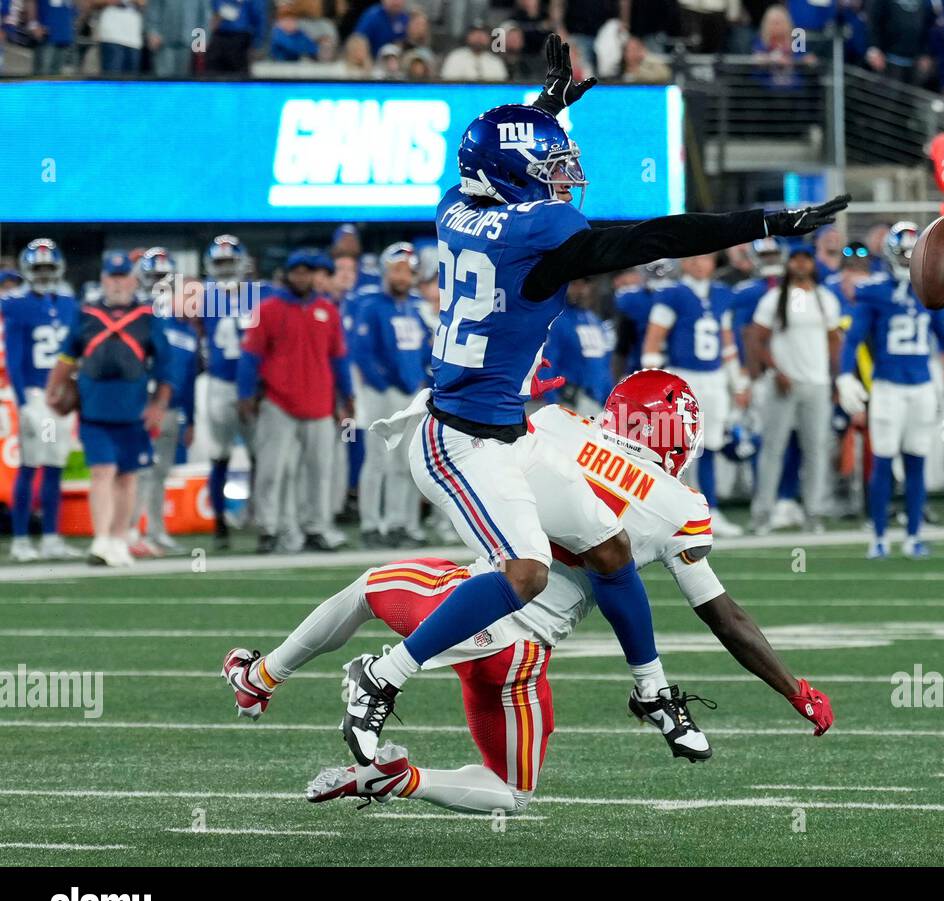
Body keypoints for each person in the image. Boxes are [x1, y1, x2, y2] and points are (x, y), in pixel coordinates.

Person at [332, 34, 847, 767]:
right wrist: (760, 222)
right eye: (548, 170)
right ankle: (380, 677)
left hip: (508, 427)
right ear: (513, 179)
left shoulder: (454, 207)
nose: (563, 181)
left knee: (608, 547)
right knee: (527, 573)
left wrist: (547, 103)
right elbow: (656, 237)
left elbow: (496, 152)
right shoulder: (538, 238)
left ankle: (651, 689)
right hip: (462, 441)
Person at [226, 372, 833, 812]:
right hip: (521, 662)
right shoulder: (682, 507)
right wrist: (796, 689)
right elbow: (725, 618)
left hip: (459, 610)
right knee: (509, 791)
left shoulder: (554, 424)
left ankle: (263, 679)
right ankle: (400, 780)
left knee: (370, 588)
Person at [836, 222, 944, 558]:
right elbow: (855, 336)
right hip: (888, 386)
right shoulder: (874, 291)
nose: (906, 259)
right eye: (902, 253)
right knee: (884, 462)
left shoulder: (927, 290)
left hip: (921, 387)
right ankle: (879, 537)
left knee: (916, 461)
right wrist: (845, 375)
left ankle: (914, 535)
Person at [44, 251, 177, 568]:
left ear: (133, 280)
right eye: (112, 277)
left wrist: (159, 404)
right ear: (103, 280)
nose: (117, 283)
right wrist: (54, 388)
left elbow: (165, 366)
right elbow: (68, 355)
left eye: (122, 277)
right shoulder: (87, 314)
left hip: (132, 409)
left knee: (128, 477)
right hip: (94, 408)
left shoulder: (147, 317)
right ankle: (101, 538)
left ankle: (119, 537)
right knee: (102, 471)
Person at [238, 249, 354, 554]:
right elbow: (250, 356)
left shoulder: (327, 311)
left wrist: (348, 394)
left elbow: (338, 357)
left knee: (319, 471)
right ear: (287, 274)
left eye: (308, 272)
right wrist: (245, 394)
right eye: (297, 271)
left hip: (319, 403)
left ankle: (316, 527)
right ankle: (269, 528)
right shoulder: (269, 309)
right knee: (272, 470)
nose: (302, 277)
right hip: (278, 402)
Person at [641, 252, 750, 536]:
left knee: (711, 445)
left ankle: (710, 511)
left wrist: (737, 381)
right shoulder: (672, 294)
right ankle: (669, 514)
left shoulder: (723, 294)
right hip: (683, 375)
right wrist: (651, 384)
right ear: (685, 263)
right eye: (694, 258)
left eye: (705, 258)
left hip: (714, 378)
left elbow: (727, 344)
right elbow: (653, 341)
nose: (699, 264)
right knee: (677, 449)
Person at [745, 247, 842, 534]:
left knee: (816, 450)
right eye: (796, 259)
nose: (801, 264)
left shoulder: (825, 300)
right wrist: (775, 370)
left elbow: (833, 341)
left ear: (813, 264)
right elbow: (756, 338)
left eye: (806, 259)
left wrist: (837, 378)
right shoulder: (774, 299)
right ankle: (762, 513)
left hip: (817, 382)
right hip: (784, 382)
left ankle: (813, 512)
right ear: (789, 265)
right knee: (773, 449)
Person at [1, 238, 81, 562]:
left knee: (55, 467)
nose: (45, 274)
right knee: (31, 465)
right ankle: (21, 540)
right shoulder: (16, 304)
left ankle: (51, 537)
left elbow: (75, 350)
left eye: (49, 267)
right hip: (35, 393)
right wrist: (23, 401)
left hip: (61, 396)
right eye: (39, 268)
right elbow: (16, 360)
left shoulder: (69, 303)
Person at [351, 242, 429, 550]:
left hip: (410, 395)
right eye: (397, 269)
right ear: (385, 270)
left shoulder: (413, 306)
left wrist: (420, 381)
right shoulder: (371, 305)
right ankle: (371, 524)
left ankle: (398, 523)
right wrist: (384, 383)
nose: (403, 276)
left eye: (407, 271)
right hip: (381, 393)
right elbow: (362, 352)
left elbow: (424, 348)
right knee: (377, 460)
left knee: (404, 462)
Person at [132, 248, 199, 556]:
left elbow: (186, 378)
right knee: (141, 470)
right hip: (146, 405)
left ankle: (156, 529)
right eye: (154, 277)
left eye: (164, 278)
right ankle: (133, 531)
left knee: (160, 472)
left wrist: (190, 416)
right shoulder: (141, 318)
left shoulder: (186, 327)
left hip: (172, 408)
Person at [198, 235, 262, 550]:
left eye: (229, 262)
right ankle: (220, 523)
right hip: (220, 383)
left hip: (252, 385)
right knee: (219, 456)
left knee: (259, 454)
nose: (224, 269)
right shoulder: (205, 296)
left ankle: (259, 515)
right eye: (220, 262)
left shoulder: (258, 295)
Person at [540, 277, 614, 416]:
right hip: (567, 401)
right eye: (574, 284)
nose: (580, 290)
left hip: (596, 403)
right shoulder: (555, 320)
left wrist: (609, 401)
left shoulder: (595, 321)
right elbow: (546, 363)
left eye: (584, 284)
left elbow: (604, 366)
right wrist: (551, 402)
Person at [207, 0, 266, 75]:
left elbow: (259, 18)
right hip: (218, 36)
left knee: (239, 75)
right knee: (213, 73)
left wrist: (257, 44)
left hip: (240, 39)